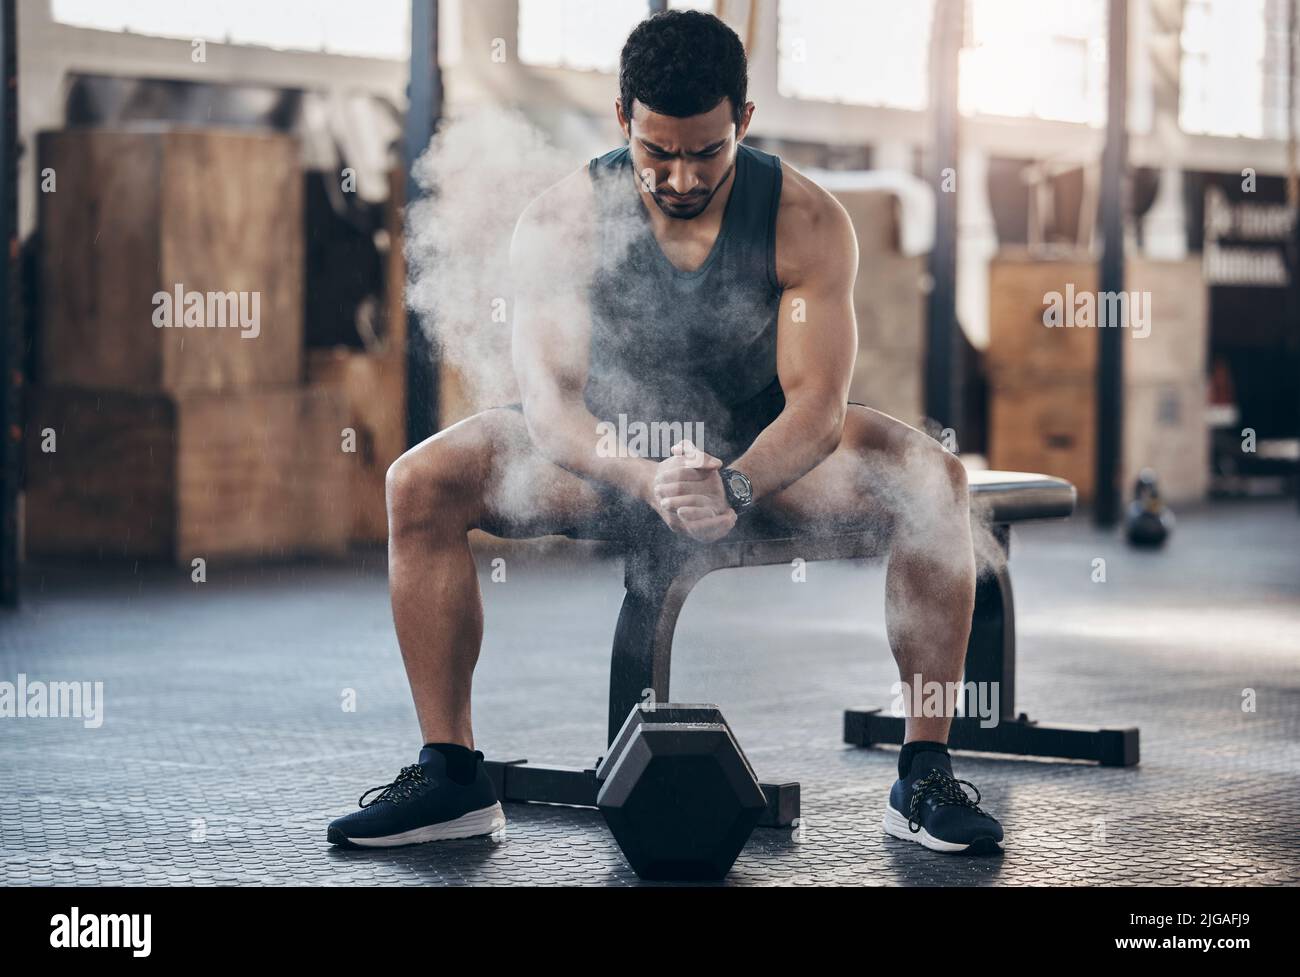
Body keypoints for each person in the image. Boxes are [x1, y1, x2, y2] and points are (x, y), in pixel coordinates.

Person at [328, 9, 1002, 855]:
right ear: (623, 121)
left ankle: (924, 772)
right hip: (607, 450)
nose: (681, 177)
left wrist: (738, 481)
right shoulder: (562, 220)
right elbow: (550, 410)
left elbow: (817, 406)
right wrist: (643, 475)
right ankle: (453, 775)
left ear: (744, 123)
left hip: (765, 451)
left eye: (707, 152)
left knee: (934, 481)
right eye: (658, 152)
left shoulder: (806, 219)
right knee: (418, 482)